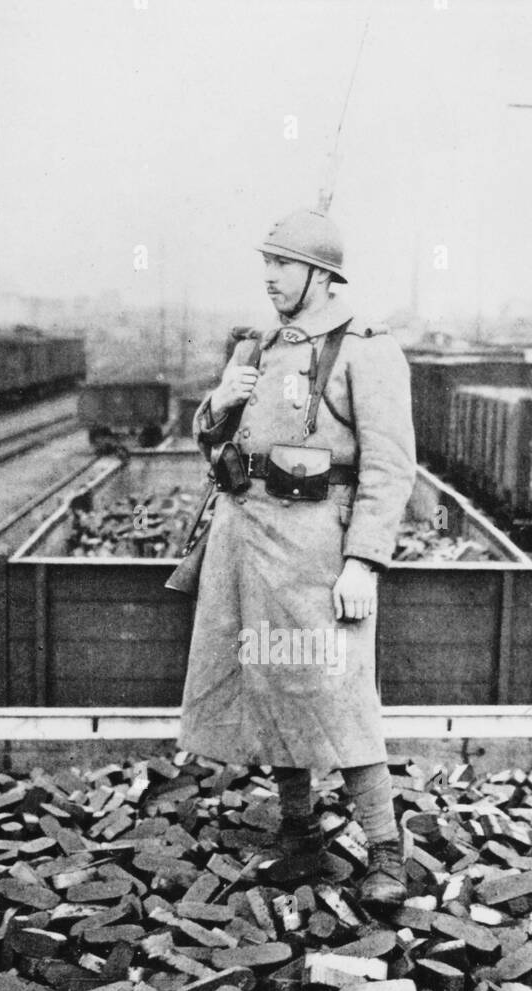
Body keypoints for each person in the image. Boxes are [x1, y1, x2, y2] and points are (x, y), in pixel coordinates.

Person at [180, 207, 417, 906]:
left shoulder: (367, 349)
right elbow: (220, 447)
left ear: (320, 273)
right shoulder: (257, 349)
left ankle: (384, 854)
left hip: (318, 549)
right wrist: (219, 402)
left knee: (338, 695)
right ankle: (300, 840)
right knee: (268, 684)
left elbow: (390, 467)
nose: (269, 278)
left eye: (281, 265)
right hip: (245, 542)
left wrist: (363, 562)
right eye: (266, 264)